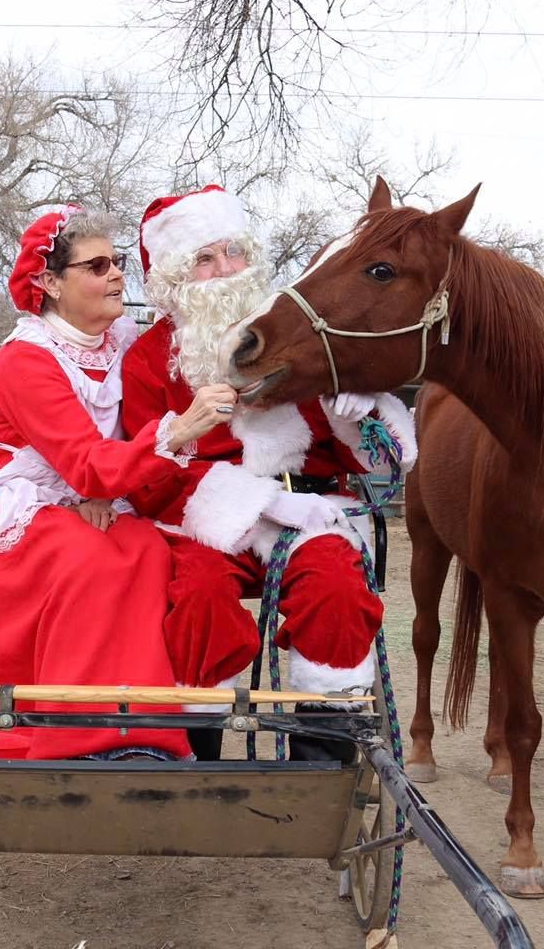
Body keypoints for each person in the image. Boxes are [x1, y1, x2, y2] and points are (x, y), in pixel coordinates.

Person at [0, 205, 233, 761]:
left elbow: (98, 462)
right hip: (1, 504)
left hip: (91, 492)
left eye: (116, 263)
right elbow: (84, 459)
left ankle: (136, 727)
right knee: (86, 558)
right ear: (50, 283)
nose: (115, 274)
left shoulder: (123, 341)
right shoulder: (26, 361)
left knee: (144, 549)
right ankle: (74, 729)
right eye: (96, 266)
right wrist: (180, 431)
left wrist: (96, 492)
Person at [121, 185, 417, 761]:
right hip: (203, 525)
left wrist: (352, 413)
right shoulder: (147, 360)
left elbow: (378, 464)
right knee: (196, 596)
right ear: (174, 280)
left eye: (233, 252)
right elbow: (151, 480)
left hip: (313, 512)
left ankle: (323, 757)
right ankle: (195, 751)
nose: (224, 270)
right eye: (204, 259)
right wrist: (256, 504)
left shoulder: (296, 333)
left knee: (336, 585)